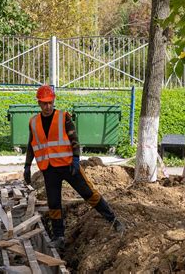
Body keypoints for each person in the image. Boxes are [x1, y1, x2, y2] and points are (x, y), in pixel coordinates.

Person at [23, 85, 124, 250]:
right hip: (49, 169)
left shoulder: (63, 117)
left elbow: (74, 140)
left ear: (53, 101)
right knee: (54, 203)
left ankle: (113, 220)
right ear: (39, 103)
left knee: (88, 193)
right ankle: (59, 237)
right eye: (44, 103)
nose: (47, 106)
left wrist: (76, 159)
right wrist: (27, 165)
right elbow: (31, 145)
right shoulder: (33, 122)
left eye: (50, 103)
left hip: (69, 166)